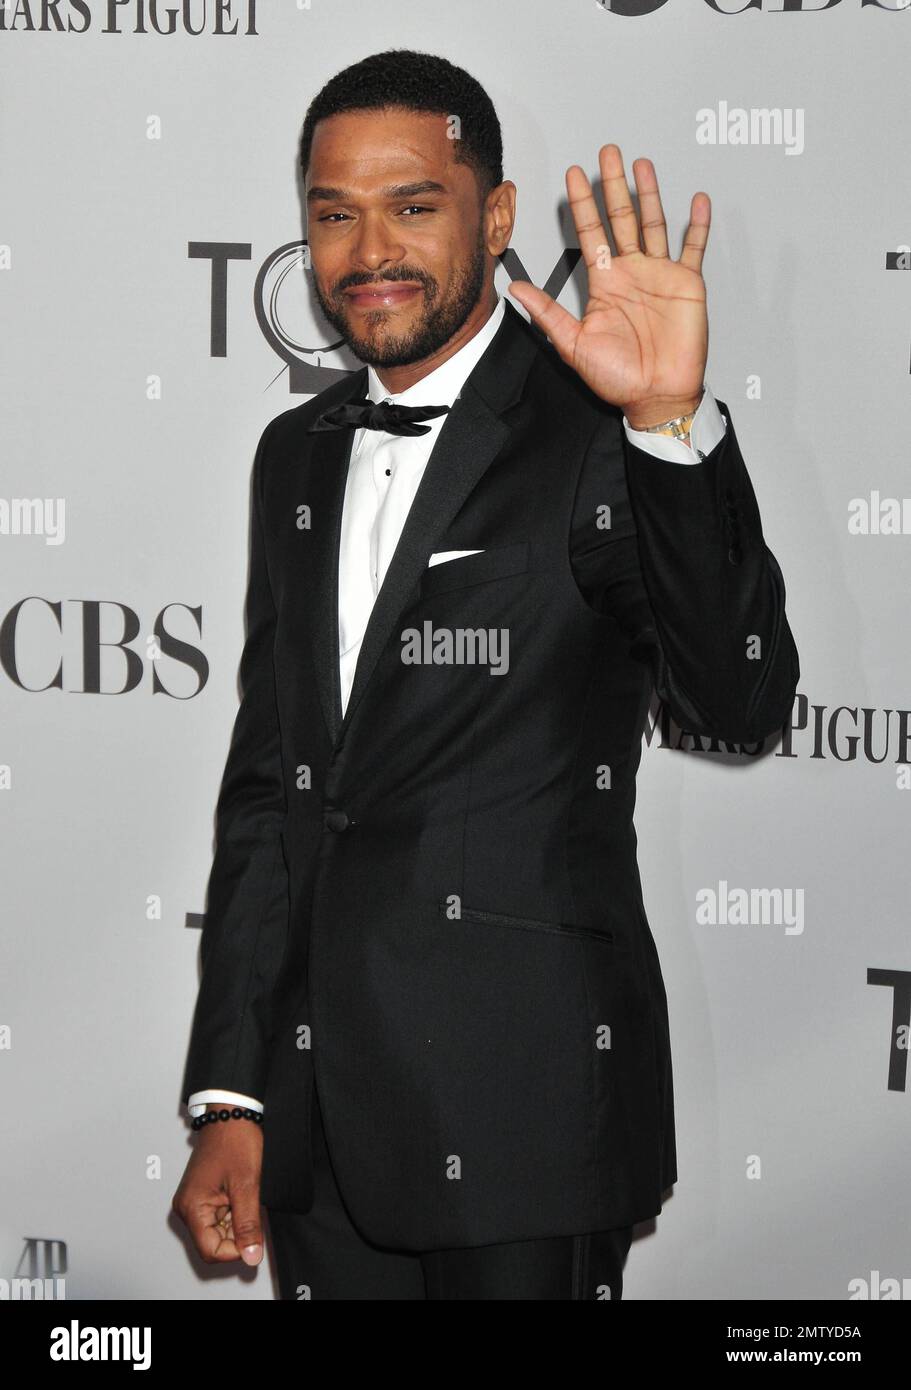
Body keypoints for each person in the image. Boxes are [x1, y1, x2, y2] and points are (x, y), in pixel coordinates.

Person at [172, 48, 799, 1301]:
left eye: (413, 204)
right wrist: (235, 1091)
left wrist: (669, 428)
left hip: (526, 1118)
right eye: (332, 212)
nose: (368, 251)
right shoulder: (292, 457)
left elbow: (738, 701)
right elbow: (271, 791)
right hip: (322, 1129)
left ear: (496, 216)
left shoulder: (593, 432)